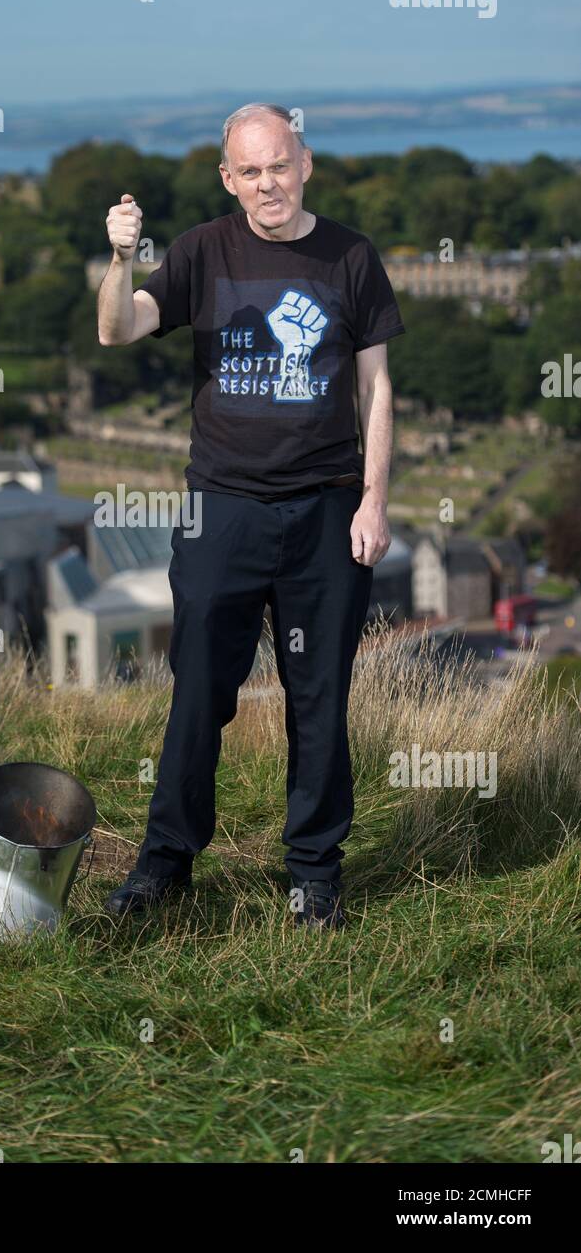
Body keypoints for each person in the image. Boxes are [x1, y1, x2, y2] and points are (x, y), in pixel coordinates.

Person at [96, 102, 405, 929]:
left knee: (318, 698)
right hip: (221, 510)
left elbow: (375, 388)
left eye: (279, 165)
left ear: (303, 162)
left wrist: (374, 498)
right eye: (249, 171)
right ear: (227, 180)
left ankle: (313, 875)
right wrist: (121, 260)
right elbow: (116, 330)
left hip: (326, 510)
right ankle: (165, 863)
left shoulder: (350, 256)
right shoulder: (200, 251)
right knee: (198, 690)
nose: (266, 184)